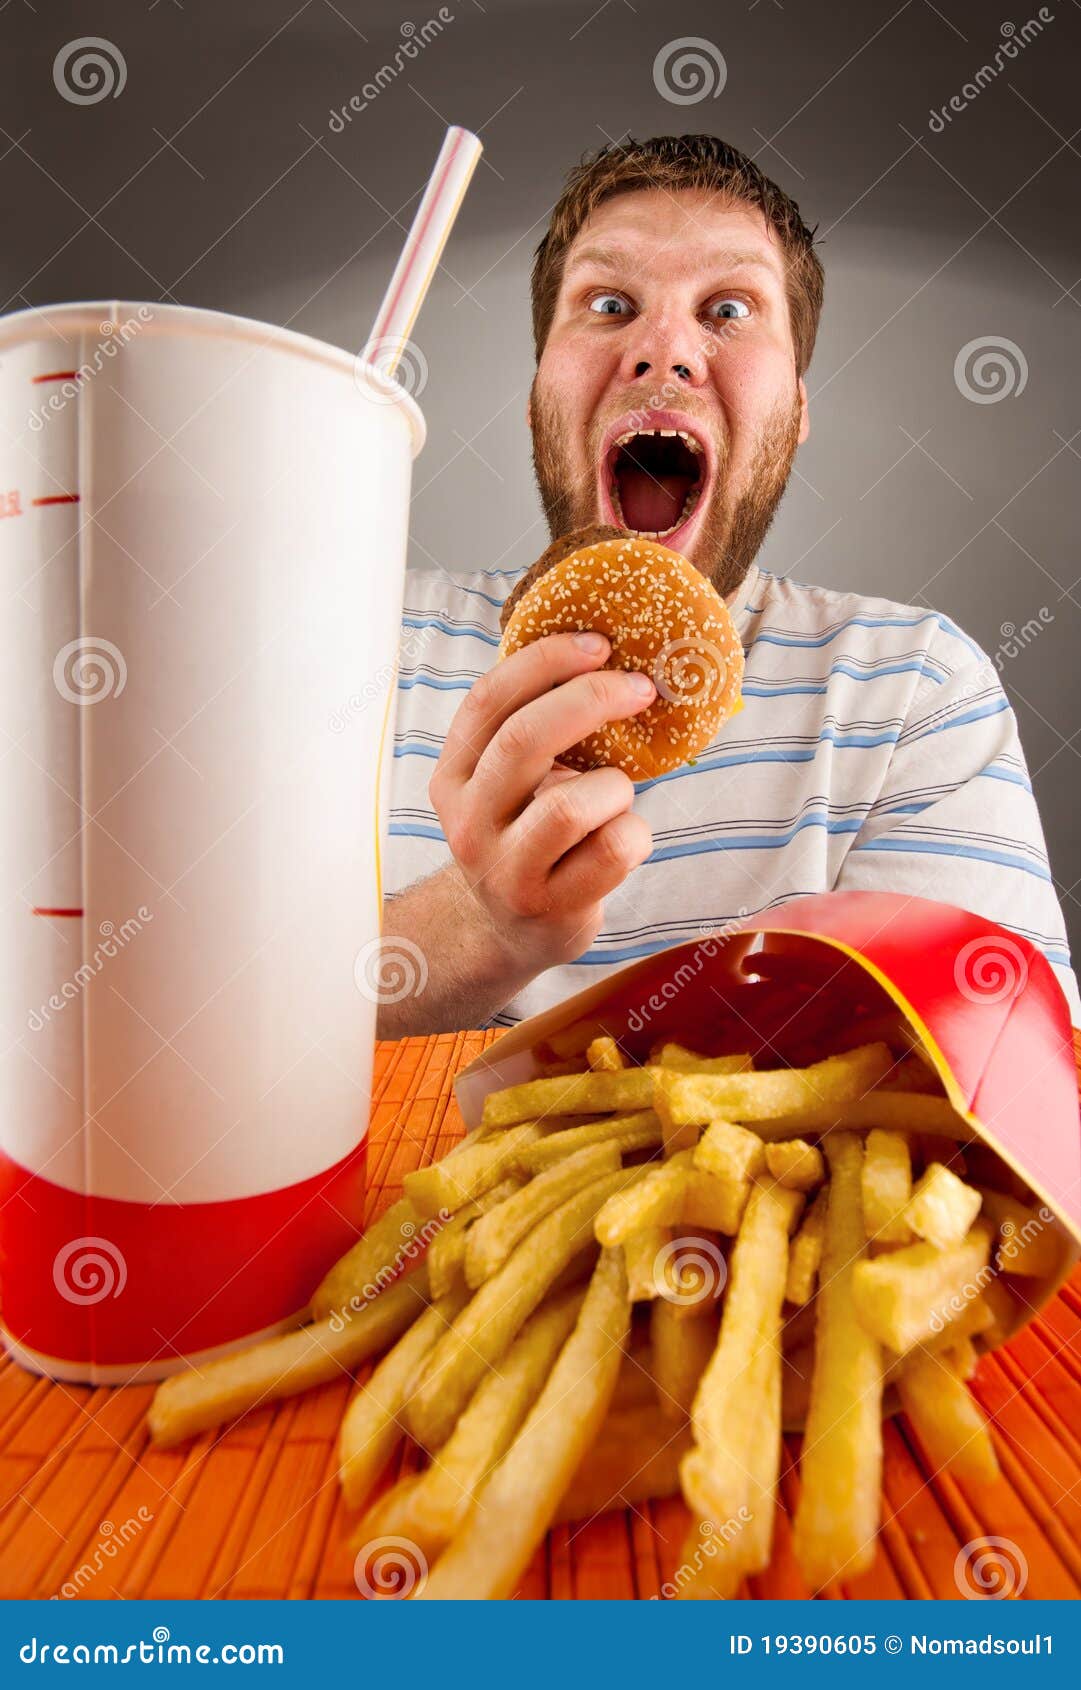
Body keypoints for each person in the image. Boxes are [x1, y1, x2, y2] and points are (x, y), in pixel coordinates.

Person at [378, 134, 1079, 1035]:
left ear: (791, 417)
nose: (663, 350)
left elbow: (1005, 1081)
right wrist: (474, 927)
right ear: (535, 399)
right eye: (608, 302)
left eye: (729, 309)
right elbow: (182, 1030)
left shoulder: (914, 691)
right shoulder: (365, 642)